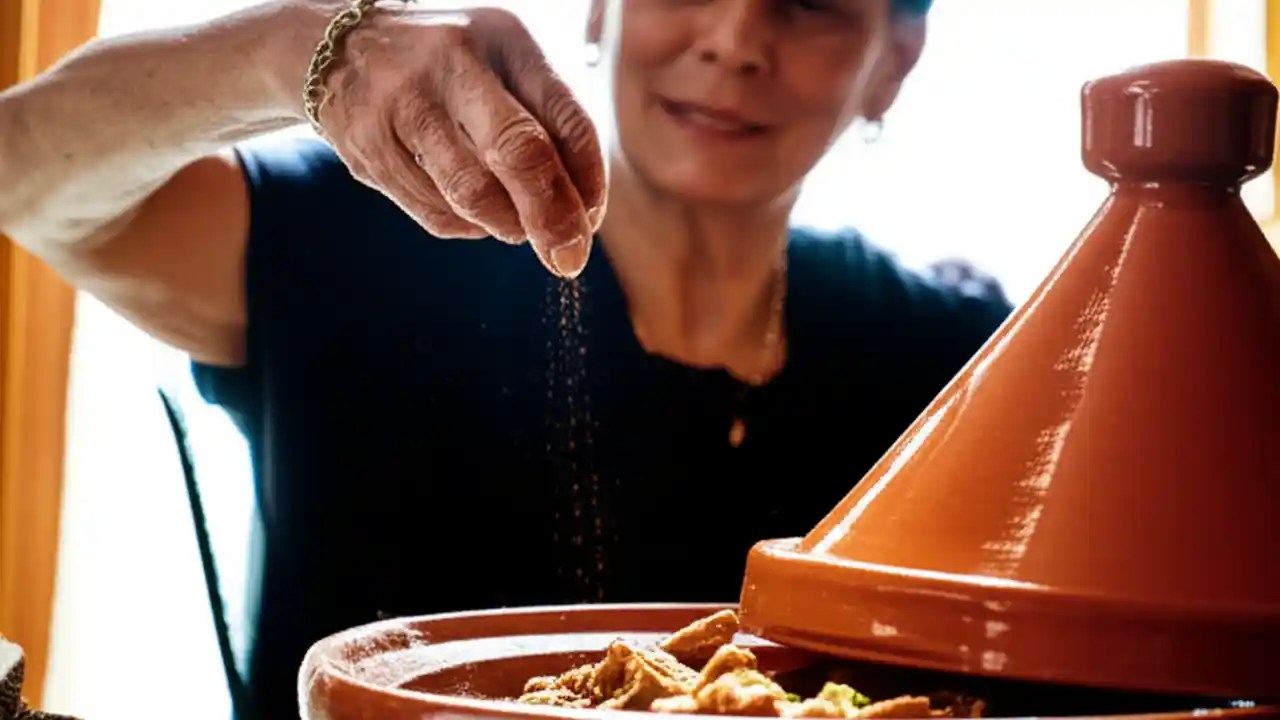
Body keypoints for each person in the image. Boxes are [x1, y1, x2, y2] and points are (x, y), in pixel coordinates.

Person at [0, 0, 1013, 717]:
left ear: (892, 60)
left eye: (807, 5)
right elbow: (24, 175)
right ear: (595, 9)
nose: (734, 37)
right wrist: (303, 50)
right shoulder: (362, 239)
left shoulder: (951, 359)